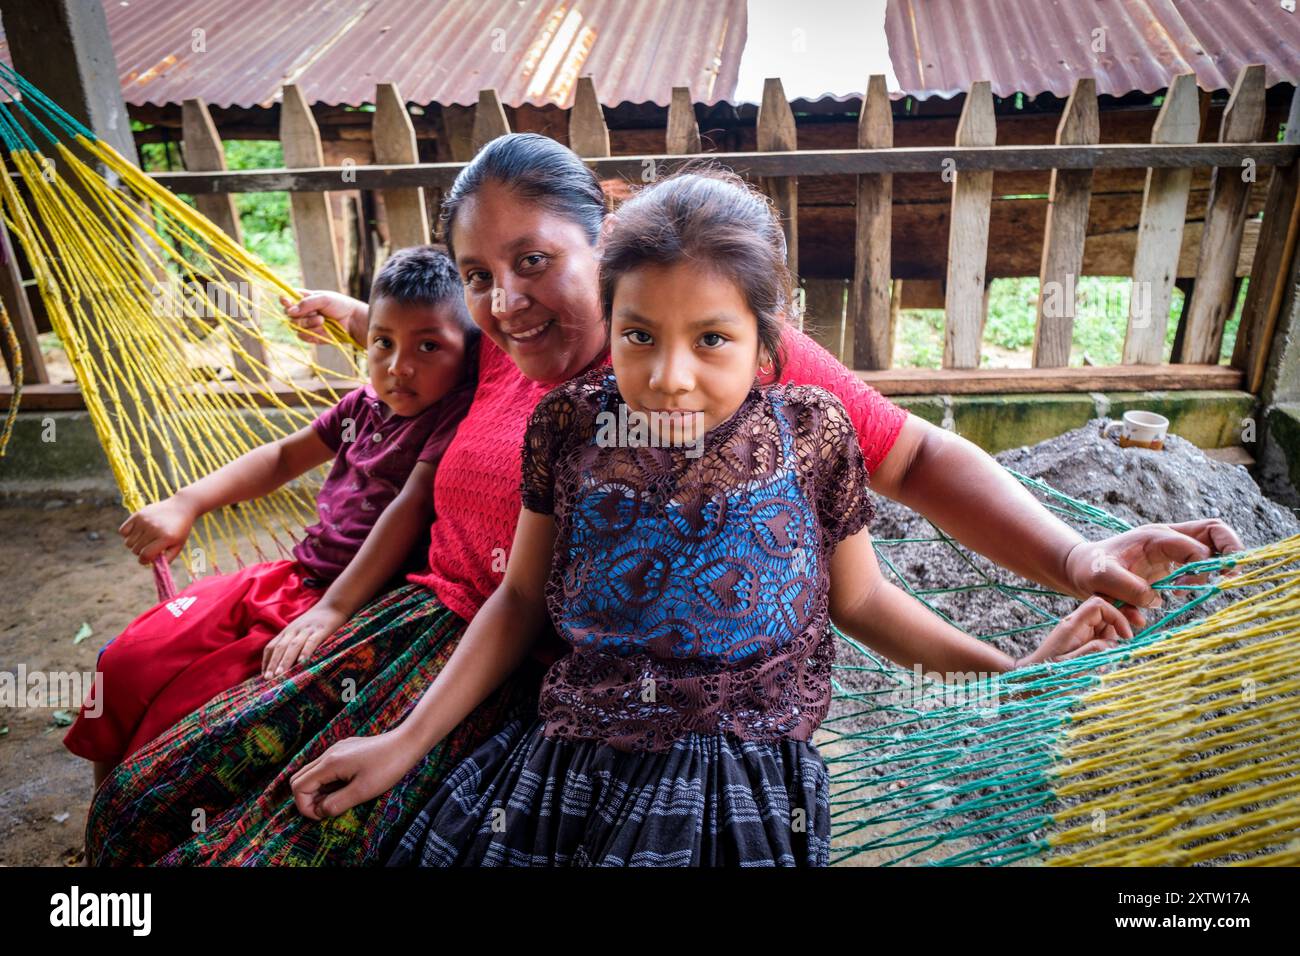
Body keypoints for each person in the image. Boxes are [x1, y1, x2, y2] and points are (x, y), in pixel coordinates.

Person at [84, 133, 1242, 867]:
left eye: (533, 261)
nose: (506, 299)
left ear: (607, 238)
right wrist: (333, 594)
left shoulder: (736, 368)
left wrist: (1078, 556)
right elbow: (403, 387)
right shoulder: (528, 378)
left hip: (559, 711)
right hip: (417, 648)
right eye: (482, 275)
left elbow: (912, 479)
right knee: (152, 787)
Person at [290, 168, 1136, 867]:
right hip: (572, 761)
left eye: (712, 340)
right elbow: (519, 600)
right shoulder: (567, 428)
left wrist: (1013, 674)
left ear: (769, 345)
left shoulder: (812, 435)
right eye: (639, 335)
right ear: (609, 321)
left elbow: (865, 602)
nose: (668, 375)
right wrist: (404, 741)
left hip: (739, 791)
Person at [65, 246, 478, 789]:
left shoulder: (455, 414)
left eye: (428, 347)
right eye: (383, 344)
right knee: (126, 663)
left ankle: (137, 824)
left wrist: (333, 608)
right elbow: (283, 457)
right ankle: (106, 820)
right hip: (287, 581)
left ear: (470, 355)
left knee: (188, 720)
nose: (399, 366)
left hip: (357, 606)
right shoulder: (360, 407)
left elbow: (410, 507)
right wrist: (185, 502)